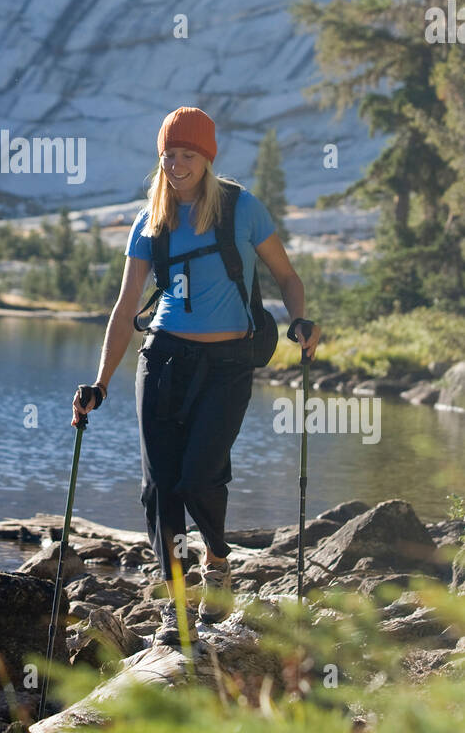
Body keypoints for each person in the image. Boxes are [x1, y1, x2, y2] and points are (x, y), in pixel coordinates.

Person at [72, 106, 320, 645]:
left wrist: (300, 320)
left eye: (188, 155)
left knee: (200, 476)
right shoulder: (151, 220)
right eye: (169, 154)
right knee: (160, 487)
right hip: (163, 358)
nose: (177, 164)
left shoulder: (240, 208)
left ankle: (217, 561)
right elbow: (125, 307)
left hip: (229, 364)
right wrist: (101, 382)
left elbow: (287, 276)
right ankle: (176, 604)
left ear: (207, 158)